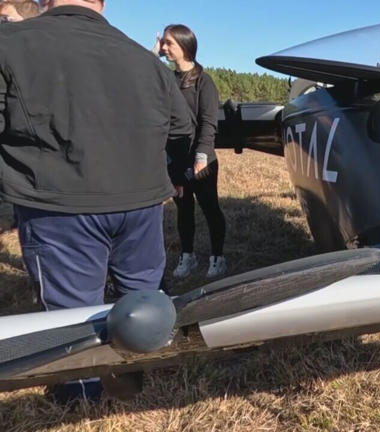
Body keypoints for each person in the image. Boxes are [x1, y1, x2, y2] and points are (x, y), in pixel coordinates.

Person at [0, 0, 194, 401]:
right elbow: (180, 126)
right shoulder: (144, 58)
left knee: (72, 319)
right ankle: (136, 379)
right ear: (102, 3)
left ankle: (81, 397)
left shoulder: (11, 43)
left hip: (61, 207)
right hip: (141, 205)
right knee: (143, 299)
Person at [159, 24, 228, 278]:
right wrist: (154, 53)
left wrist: (201, 158)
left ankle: (217, 257)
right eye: (163, 43)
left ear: (184, 46)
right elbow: (143, 75)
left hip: (201, 160)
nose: (164, 47)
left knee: (210, 208)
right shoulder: (167, 79)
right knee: (183, 209)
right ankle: (187, 256)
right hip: (176, 160)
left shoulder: (203, 82)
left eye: (169, 43)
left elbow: (209, 123)